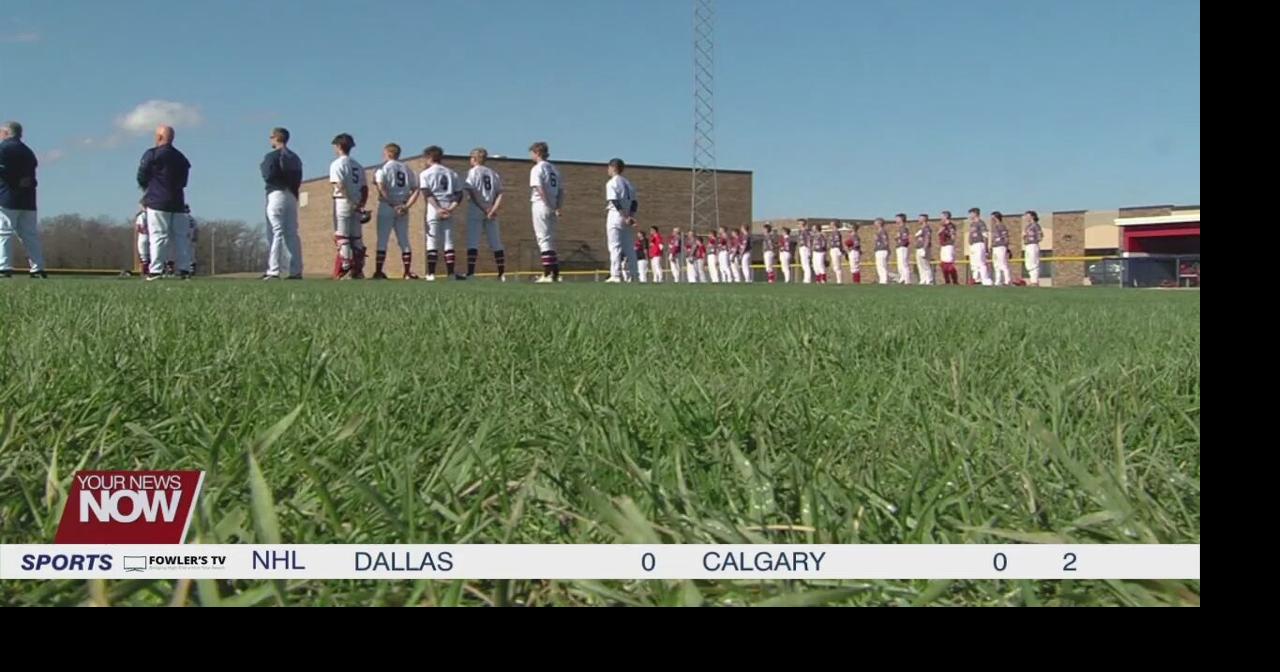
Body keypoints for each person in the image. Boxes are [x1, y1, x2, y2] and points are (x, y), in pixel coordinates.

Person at [137, 125, 192, 280]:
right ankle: (184, 270)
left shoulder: (152, 154)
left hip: (157, 200)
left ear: (159, 137)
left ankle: (156, 270)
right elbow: (184, 181)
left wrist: (146, 188)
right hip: (178, 201)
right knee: (181, 237)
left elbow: (142, 174)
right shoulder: (181, 157)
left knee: (158, 236)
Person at [405, 146, 463, 280]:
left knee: (432, 240)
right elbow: (459, 194)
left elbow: (427, 193)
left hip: (434, 208)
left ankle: (431, 274)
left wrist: (437, 208)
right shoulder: (452, 173)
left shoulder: (425, 173)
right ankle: (450, 274)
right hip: (448, 205)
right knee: (448, 241)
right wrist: (450, 208)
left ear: (429, 157)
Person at [0, 120, 46, 278]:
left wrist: (13, 182)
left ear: (6, 133)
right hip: (28, 199)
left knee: (4, 232)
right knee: (29, 235)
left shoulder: (3, 149)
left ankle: (4, 266)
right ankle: (38, 267)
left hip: (7, 197)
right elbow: (31, 176)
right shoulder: (28, 152)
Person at [261, 127, 304, 280]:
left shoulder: (272, 156)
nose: (270, 139)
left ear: (277, 138)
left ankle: (274, 270)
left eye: (272, 137)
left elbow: (267, 175)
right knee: (292, 233)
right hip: (291, 195)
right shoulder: (295, 158)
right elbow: (299, 178)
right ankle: (296, 270)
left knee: (276, 231)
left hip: (276, 193)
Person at [372, 143, 417, 279]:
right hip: (402, 206)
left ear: (389, 153)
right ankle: (407, 272)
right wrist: (406, 206)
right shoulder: (406, 168)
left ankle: (379, 271)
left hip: (387, 205)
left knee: (382, 239)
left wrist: (392, 203)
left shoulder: (383, 168)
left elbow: (381, 187)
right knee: (404, 239)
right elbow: (416, 189)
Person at [463, 148, 506, 281]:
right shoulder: (493, 173)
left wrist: (483, 208)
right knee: (496, 242)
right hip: (491, 209)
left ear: (475, 159)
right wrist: (492, 209)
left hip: (477, 208)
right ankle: (501, 273)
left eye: (471, 158)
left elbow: (472, 192)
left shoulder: (473, 172)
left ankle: (471, 273)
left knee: (473, 241)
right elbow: (500, 193)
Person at [528, 141, 563, 283]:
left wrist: (547, 203)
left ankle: (548, 273)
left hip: (541, 205)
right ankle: (555, 273)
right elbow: (561, 191)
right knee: (550, 239)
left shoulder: (537, 168)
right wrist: (557, 207)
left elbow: (539, 188)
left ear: (537, 153)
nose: (531, 156)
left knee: (543, 239)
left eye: (532, 153)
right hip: (553, 206)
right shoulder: (554, 170)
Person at [604, 158, 638, 283]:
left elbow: (614, 201)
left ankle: (616, 275)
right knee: (629, 247)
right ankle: (634, 274)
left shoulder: (612, 182)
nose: (608, 169)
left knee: (614, 246)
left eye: (609, 167)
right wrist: (630, 216)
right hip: (627, 215)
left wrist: (624, 216)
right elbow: (634, 202)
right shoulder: (629, 184)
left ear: (613, 167)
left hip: (616, 215)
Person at [967, 207, 992, 286]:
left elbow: (985, 236)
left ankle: (986, 280)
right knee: (974, 264)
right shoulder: (972, 224)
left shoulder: (981, 223)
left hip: (979, 244)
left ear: (975, 214)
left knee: (981, 262)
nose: (969, 216)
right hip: (973, 245)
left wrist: (986, 247)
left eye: (971, 214)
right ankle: (976, 279)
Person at [1022, 210, 1043, 286]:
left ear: (1032, 216)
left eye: (1027, 216)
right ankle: (1032, 280)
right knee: (1028, 263)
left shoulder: (1036, 225)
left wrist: (1035, 239)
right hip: (1027, 245)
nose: (1026, 217)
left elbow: (1040, 236)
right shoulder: (1027, 226)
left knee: (1033, 262)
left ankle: (1035, 281)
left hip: (1033, 245)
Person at [991, 210, 1012, 286]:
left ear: (996, 218)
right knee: (996, 265)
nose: (992, 219)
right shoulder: (995, 227)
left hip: (1001, 246)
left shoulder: (1001, 226)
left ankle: (1007, 280)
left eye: (993, 218)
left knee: (1003, 264)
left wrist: (1007, 248)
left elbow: (1006, 237)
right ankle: (998, 281)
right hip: (995, 247)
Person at [938, 210, 959, 285]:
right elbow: (939, 233)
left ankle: (955, 281)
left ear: (946, 216)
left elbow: (953, 235)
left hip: (948, 245)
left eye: (942, 216)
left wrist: (951, 242)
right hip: (943, 245)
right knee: (943, 264)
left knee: (949, 264)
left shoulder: (950, 226)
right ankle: (947, 281)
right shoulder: (943, 226)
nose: (940, 218)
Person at [914, 214, 934, 285]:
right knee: (920, 265)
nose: (918, 220)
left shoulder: (926, 228)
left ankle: (929, 280)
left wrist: (924, 249)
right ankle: (923, 280)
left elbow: (927, 239)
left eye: (920, 218)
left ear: (924, 219)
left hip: (924, 248)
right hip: (918, 248)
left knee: (925, 264)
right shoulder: (920, 229)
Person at [894, 213, 912, 285]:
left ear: (901, 219)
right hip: (899, 247)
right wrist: (897, 238)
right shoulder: (900, 228)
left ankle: (907, 280)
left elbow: (905, 239)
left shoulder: (904, 228)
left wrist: (899, 238)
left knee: (904, 263)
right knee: (900, 264)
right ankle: (902, 278)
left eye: (897, 218)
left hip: (903, 247)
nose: (896, 220)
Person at [873, 218, 890, 284]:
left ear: (879, 223)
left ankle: (884, 280)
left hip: (882, 250)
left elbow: (885, 241)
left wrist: (878, 239)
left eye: (875, 223)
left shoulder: (882, 231)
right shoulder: (878, 231)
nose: (874, 224)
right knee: (879, 266)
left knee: (882, 266)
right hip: (879, 250)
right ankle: (882, 280)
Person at [798, 219, 813, 284]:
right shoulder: (800, 232)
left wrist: (809, 250)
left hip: (805, 248)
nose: (799, 225)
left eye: (800, 224)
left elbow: (808, 241)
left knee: (806, 264)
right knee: (803, 264)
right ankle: (805, 278)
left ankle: (808, 279)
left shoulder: (806, 231)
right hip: (801, 247)